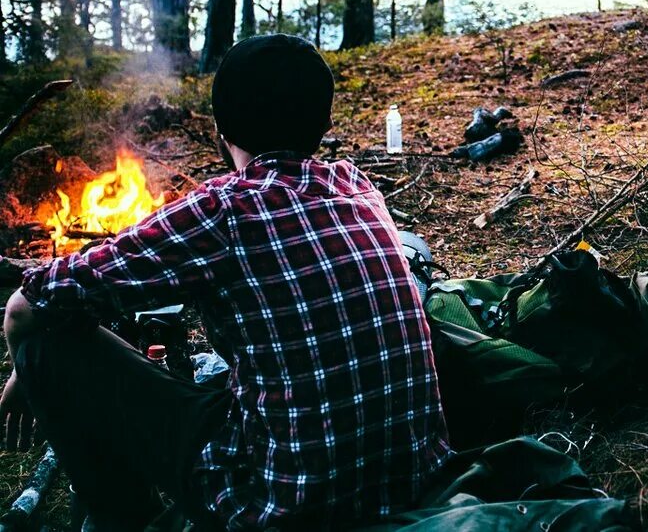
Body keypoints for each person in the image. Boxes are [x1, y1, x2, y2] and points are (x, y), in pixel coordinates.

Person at [0, 34, 451, 531]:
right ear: (325, 124)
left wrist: (28, 368)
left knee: (46, 348)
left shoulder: (223, 209)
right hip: (411, 479)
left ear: (219, 129)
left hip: (278, 505)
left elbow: (25, 307)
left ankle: (128, 520)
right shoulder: (357, 185)